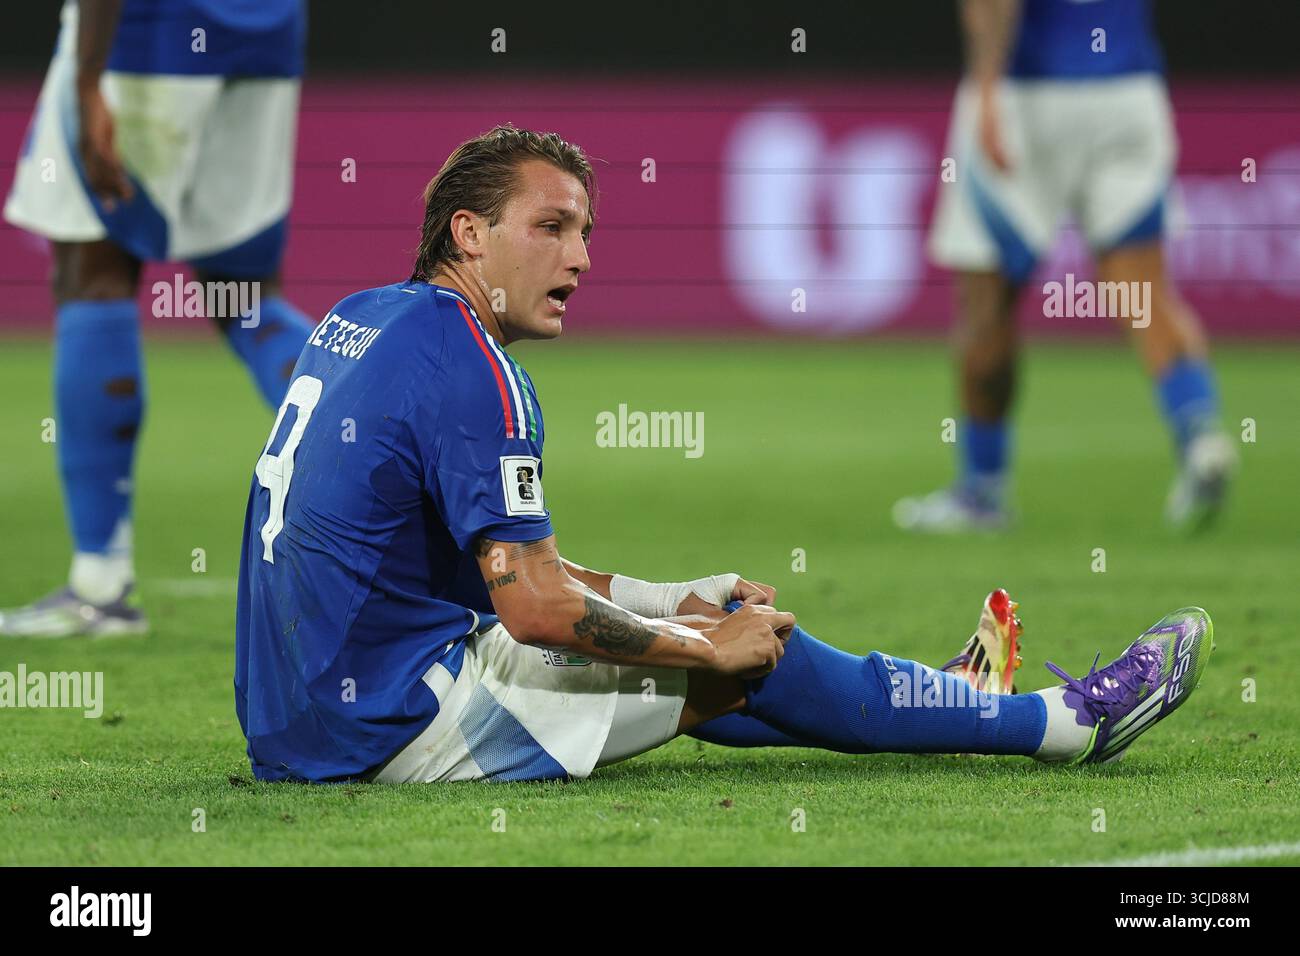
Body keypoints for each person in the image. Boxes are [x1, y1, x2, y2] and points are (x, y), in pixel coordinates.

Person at [235, 125, 1212, 785]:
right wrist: (705, 641)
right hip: (391, 724)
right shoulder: (474, 370)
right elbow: (531, 608)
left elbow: (484, 566)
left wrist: (666, 601)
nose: (578, 257)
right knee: (753, 653)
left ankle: (951, 695)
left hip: (295, 721)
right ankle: (1059, 721)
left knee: (706, 655)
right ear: (468, 231)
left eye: (585, 232)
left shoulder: (364, 316)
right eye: (550, 228)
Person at [0, 0, 312, 637]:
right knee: (244, 298)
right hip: (266, 38)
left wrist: (88, 80)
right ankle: (404, 479)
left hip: (144, 35)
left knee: (94, 277)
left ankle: (100, 588)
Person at [894, 0, 1235, 534]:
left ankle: (982, 491)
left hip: (1026, 94)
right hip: (1130, 92)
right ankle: (1200, 433)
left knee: (988, 302)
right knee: (1142, 294)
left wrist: (986, 92)